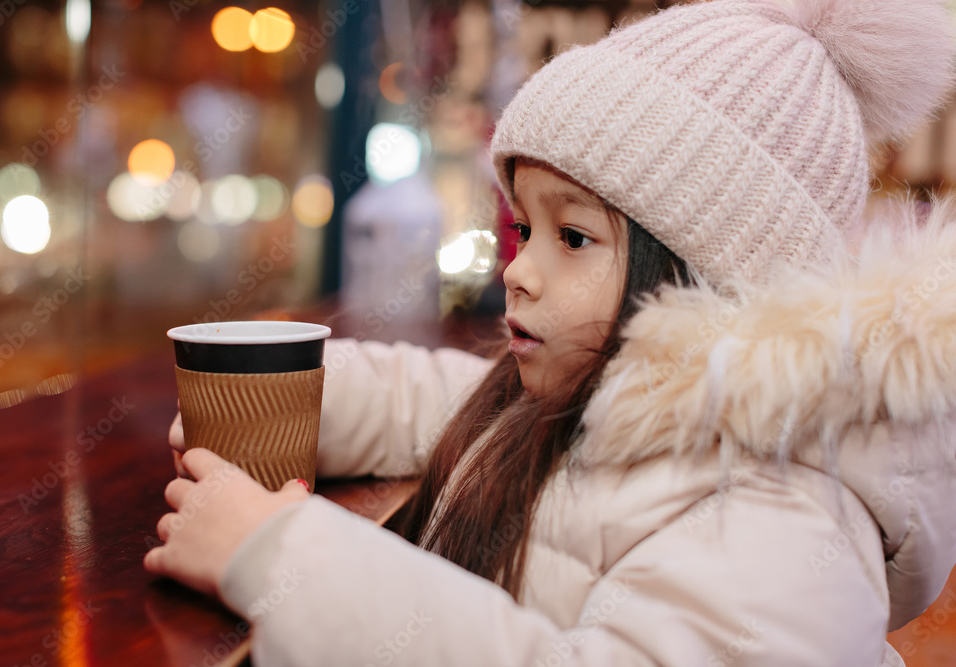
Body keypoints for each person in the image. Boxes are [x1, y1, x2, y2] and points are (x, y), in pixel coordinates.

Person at [145, 0, 956, 663]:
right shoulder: (600, 392)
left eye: (572, 237)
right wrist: (270, 399)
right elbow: (437, 397)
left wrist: (280, 556)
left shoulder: (786, 507)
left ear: (712, 274)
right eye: (523, 229)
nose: (520, 270)